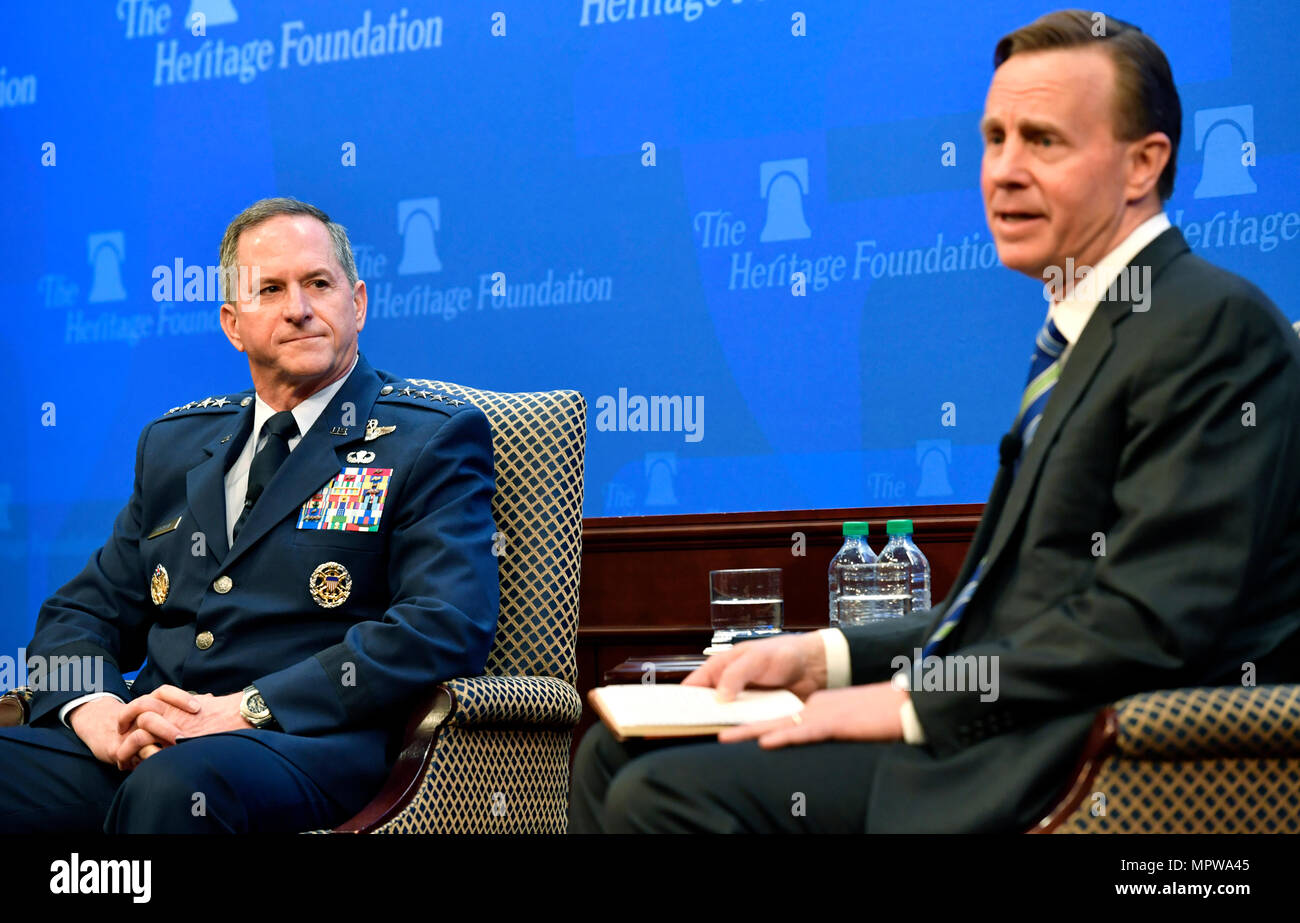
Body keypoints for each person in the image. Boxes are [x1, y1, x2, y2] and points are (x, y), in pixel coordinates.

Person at [569, 10, 1300, 833]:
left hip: (1075, 762)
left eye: (1043, 141)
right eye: (994, 138)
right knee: (613, 754)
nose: (1003, 171)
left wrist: (907, 700)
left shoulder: (1209, 327)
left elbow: (1146, 625)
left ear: (1143, 164)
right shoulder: (1087, 334)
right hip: (1001, 729)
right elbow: (1010, 616)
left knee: (659, 795)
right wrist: (827, 656)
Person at [0, 197, 500, 833]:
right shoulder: (175, 446)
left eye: (319, 283)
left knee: (175, 789)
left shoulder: (426, 439)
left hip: (309, 745)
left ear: (359, 304)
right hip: (152, 746)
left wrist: (250, 707)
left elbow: (443, 625)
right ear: (233, 325)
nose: (299, 307)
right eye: (271, 289)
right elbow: (79, 615)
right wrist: (99, 713)